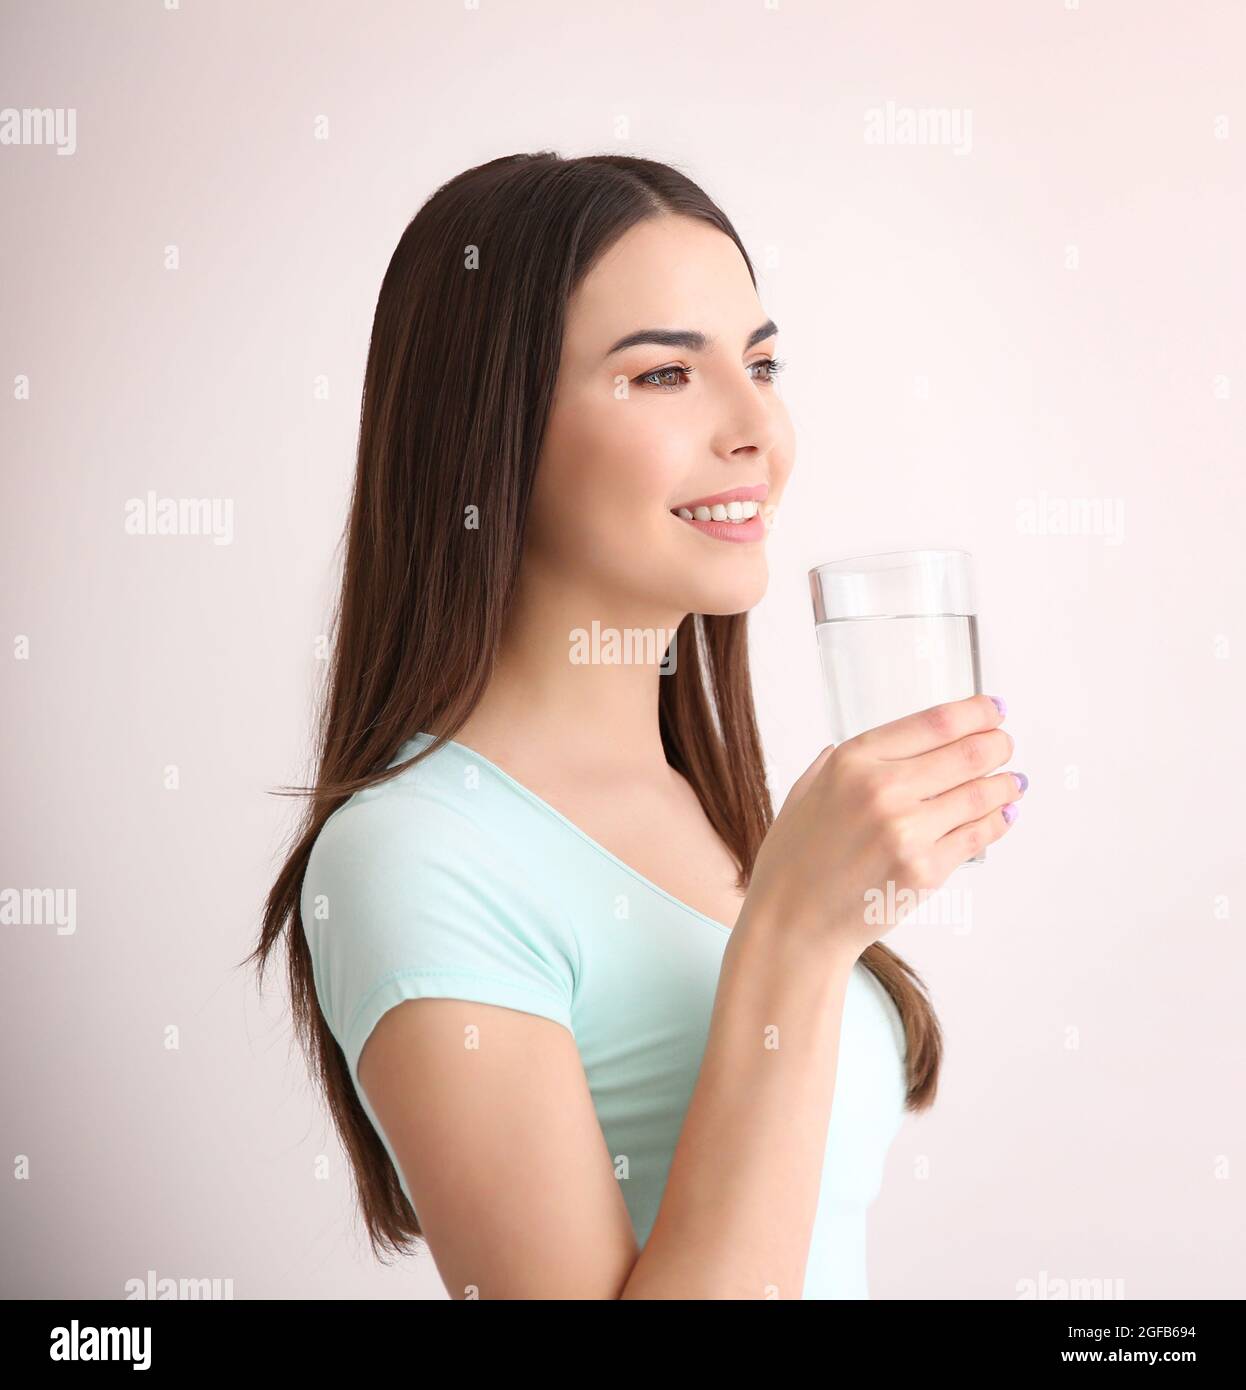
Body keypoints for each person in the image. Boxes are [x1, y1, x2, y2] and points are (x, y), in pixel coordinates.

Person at [249, 152, 1022, 1300]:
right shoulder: (414, 855)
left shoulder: (711, 807)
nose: (757, 425)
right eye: (664, 375)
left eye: (762, 364)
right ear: (488, 430)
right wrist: (796, 938)